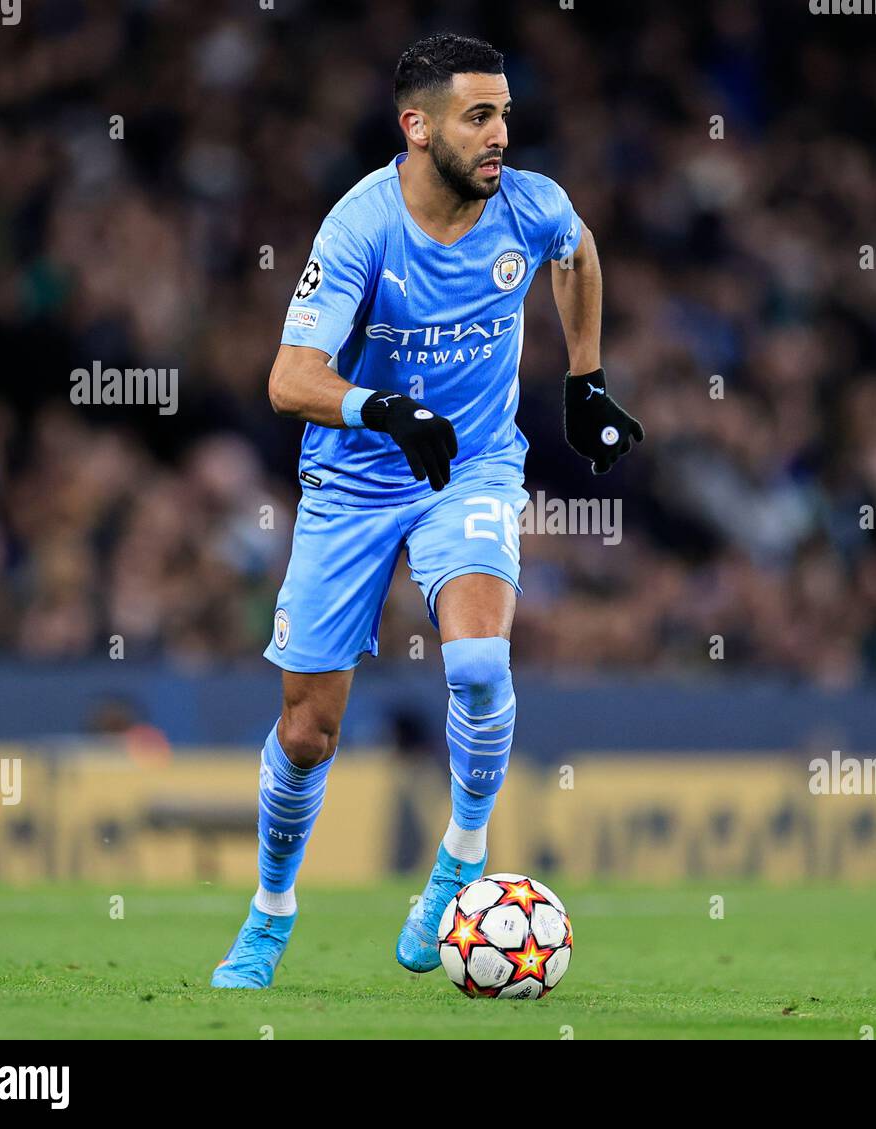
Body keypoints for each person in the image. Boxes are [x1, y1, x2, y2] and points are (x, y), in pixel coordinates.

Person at [212, 32, 643, 987]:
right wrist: (381, 407)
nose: (499, 136)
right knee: (306, 730)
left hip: (474, 467)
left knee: (482, 662)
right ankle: (271, 912)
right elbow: (289, 379)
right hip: (355, 481)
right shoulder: (360, 226)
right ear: (417, 126)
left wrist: (585, 381)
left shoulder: (531, 206)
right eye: (477, 117)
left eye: (504, 115)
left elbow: (577, 256)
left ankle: (457, 861)